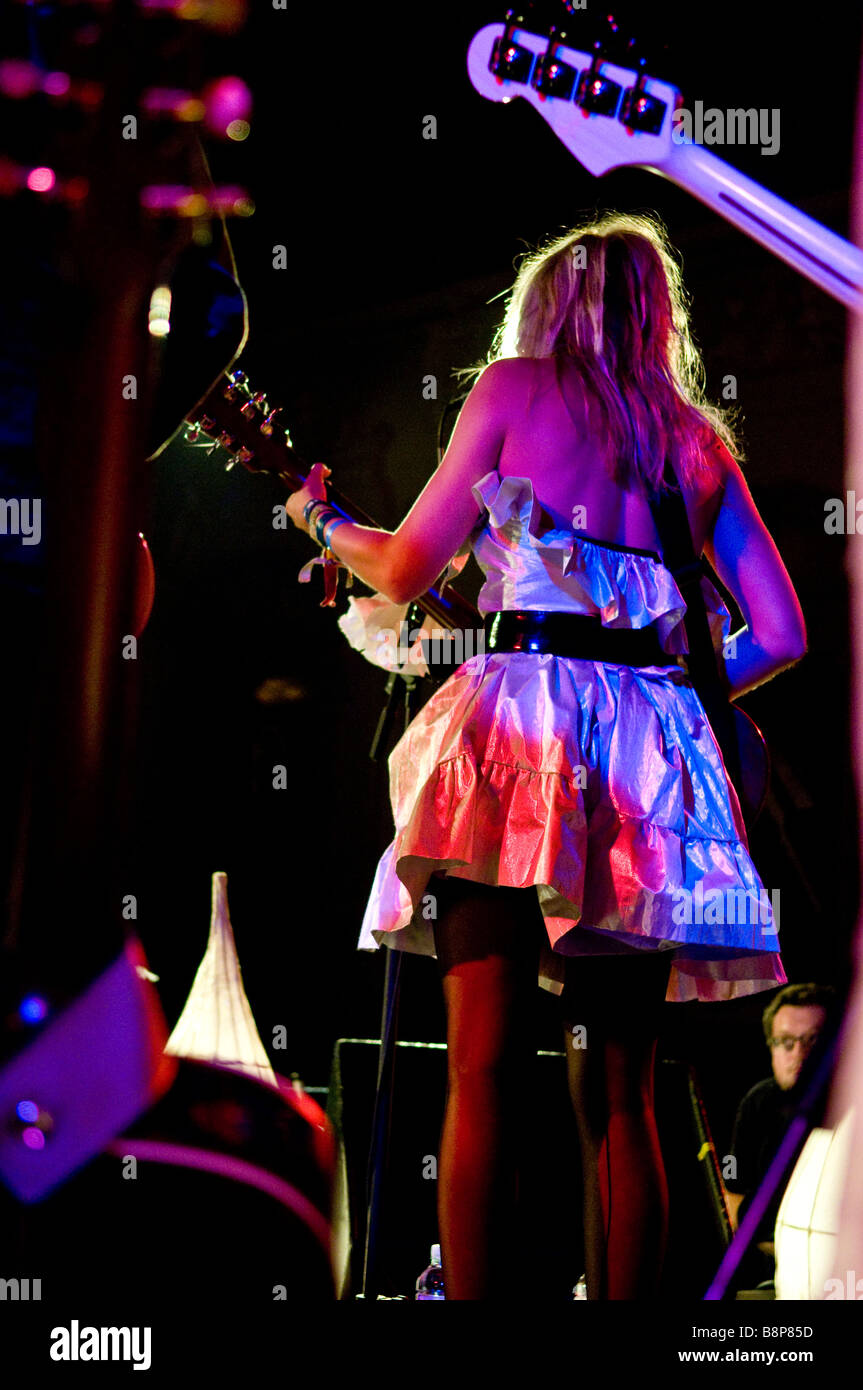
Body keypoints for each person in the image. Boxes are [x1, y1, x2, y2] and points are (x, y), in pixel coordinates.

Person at [286, 212, 807, 1299]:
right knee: (620, 1090)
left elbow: (400, 566)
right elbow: (783, 630)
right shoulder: (696, 442)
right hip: (647, 761)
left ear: (547, 300)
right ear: (654, 312)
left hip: (516, 737)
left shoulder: (513, 389)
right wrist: (661, 678)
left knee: (479, 1069)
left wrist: (321, 518)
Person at [723, 982, 837, 1286]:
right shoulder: (757, 1102)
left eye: (813, 1040)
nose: (799, 1053)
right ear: (770, 1046)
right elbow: (735, 1189)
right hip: (767, 1265)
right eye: (786, 1041)